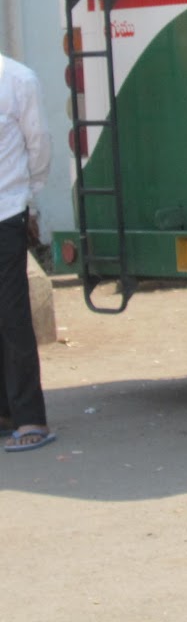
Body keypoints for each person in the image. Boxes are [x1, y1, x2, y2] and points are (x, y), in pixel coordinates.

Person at [0, 53, 53, 452]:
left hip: (6, 212)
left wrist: (28, 198)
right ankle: (5, 413)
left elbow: (39, 147)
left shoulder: (18, 80)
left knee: (12, 314)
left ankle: (29, 417)